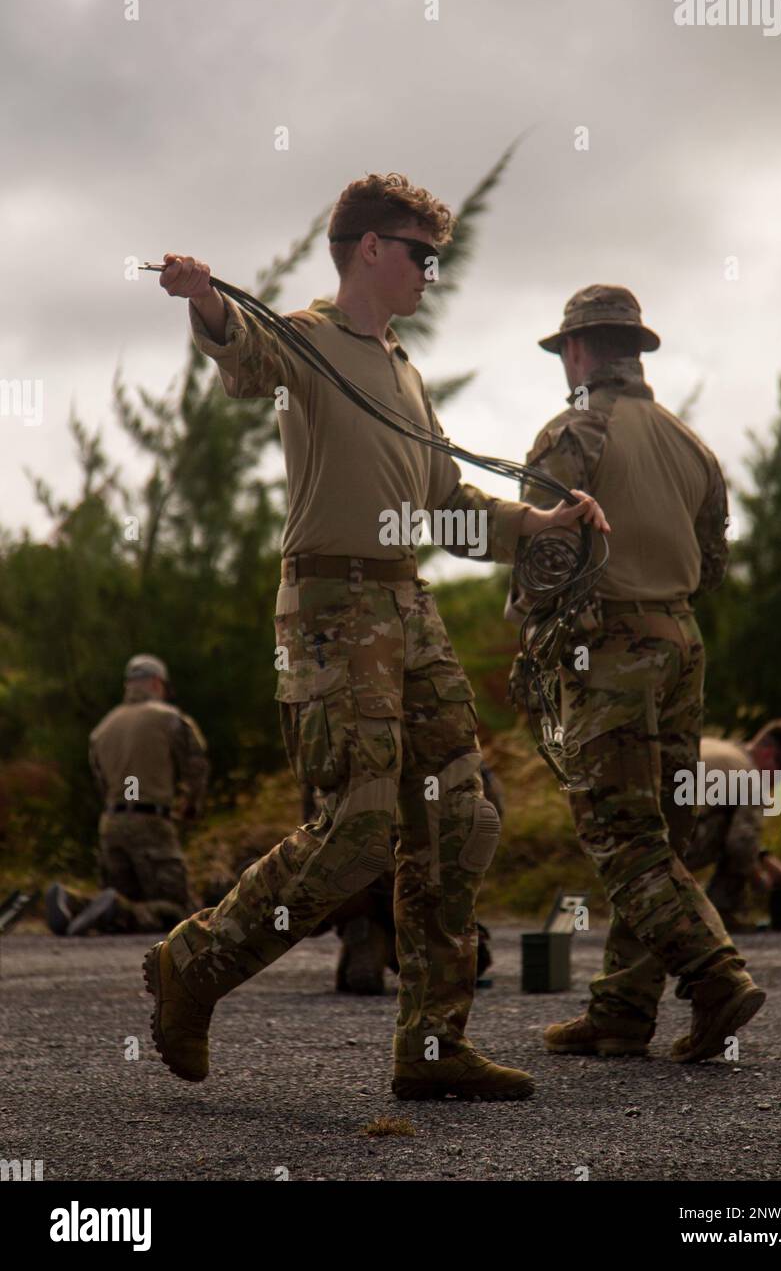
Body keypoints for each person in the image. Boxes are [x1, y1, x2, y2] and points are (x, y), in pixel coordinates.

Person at [142, 173, 609, 1101]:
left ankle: (431, 1050)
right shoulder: (307, 341)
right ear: (367, 250)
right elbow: (243, 360)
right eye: (418, 254)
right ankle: (194, 964)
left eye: (435, 257)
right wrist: (203, 302)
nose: (431, 272)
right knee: (354, 834)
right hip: (331, 610)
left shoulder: (403, 369)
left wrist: (541, 523)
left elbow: (444, 508)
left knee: (460, 816)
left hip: (408, 606)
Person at [507, 284, 766, 1063]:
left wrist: (532, 632)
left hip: (611, 647)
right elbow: (714, 564)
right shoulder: (693, 445)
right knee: (663, 832)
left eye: (565, 354)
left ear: (579, 352)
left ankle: (714, 974)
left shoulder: (572, 432)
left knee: (623, 835)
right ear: (636, 352)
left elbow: (544, 556)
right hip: (681, 641)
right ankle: (621, 1011)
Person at [303, 764, 504, 994]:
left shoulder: (334, 751)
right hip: (417, 887)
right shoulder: (447, 753)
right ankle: (388, 939)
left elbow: (312, 828)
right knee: (464, 963)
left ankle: (369, 932)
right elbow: (482, 832)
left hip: (352, 884)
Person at [46, 654, 208, 936]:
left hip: (111, 825)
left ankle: (72, 901)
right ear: (158, 683)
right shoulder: (170, 718)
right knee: (177, 913)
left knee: (126, 902)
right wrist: (192, 805)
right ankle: (115, 910)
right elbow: (196, 766)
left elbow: (100, 783)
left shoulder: (102, 728)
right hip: (151, 825)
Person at [686, 720, 781, 929]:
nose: (776, 785)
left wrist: (764, 858)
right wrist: (759, 879)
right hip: (677, 844)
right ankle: (723, 911)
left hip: (641, 834)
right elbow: (740, 843)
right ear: (768, 754)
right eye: (780, 776)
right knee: (742, 843)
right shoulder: (751, 776)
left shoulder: (717, 747)